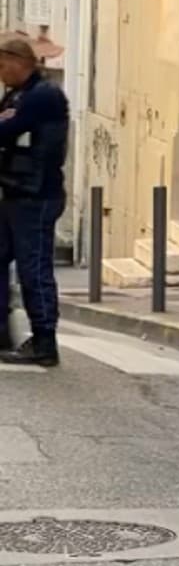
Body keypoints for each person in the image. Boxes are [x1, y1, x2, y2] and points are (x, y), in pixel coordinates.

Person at [0, 38, 69, 367]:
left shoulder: (42, 96)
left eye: (2, 66)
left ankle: (44, 340)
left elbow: (7, 128)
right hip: (14, 191)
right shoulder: (17, 94)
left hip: (35, 194)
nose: (0, 74)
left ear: (17, 61)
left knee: (33, 267)